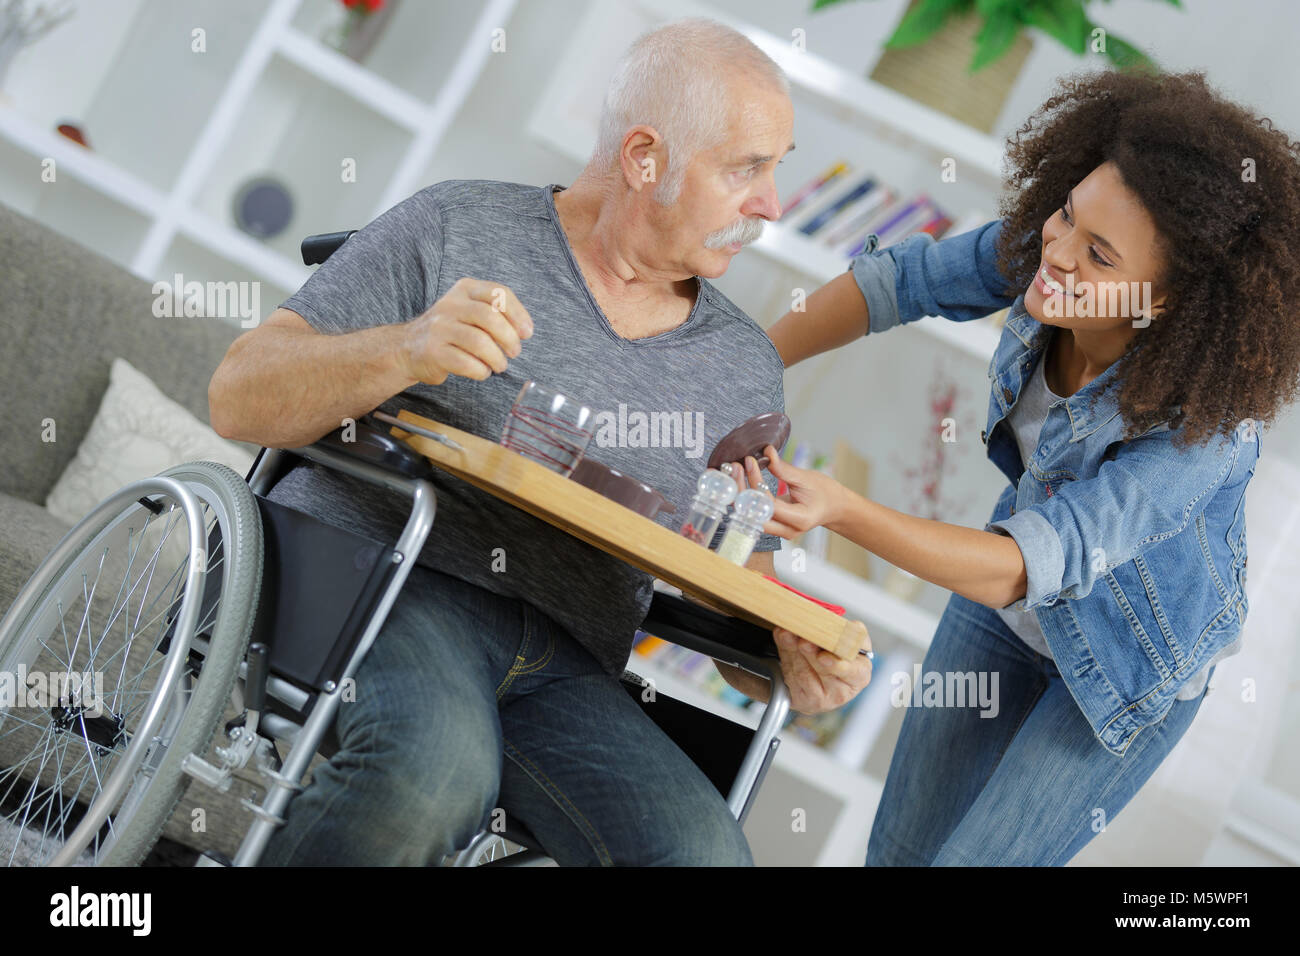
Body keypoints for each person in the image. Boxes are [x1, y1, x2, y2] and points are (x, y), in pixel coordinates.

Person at [208, 17, 871, 867]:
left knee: (704, 858)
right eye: (747, 169)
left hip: (567, 660)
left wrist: (788, 650)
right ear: (644, 158)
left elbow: (733, 578)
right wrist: (405, 347)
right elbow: (239, 394)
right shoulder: (458, 225)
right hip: (385, 576)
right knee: (432, 777)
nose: (772, 205)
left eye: (777, 169)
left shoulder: (744, 368)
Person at [736, 69, 1300, 865]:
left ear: (1165, 302)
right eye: (1066, 215)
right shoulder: (1051, 257)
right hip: (1012, 613)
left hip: (1120, 667)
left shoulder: (1199, 439)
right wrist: (743, 368)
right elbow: (896, 282)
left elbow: (1033, 563)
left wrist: (843, 511)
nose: (1059, 254)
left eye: (1099, 256)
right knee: (896, 857)